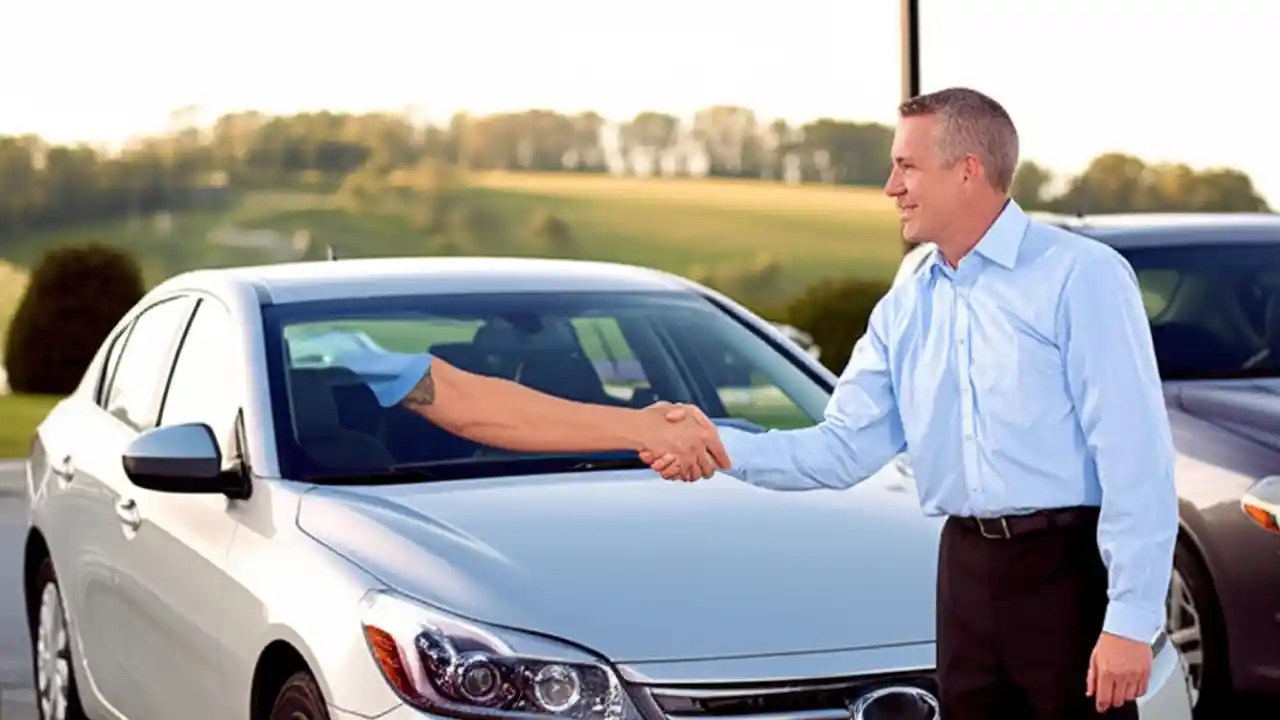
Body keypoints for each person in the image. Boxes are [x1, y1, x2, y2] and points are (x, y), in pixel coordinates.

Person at [645, 88, 1178, 719]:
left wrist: (1130, 620)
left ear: (968, 171)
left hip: (1066, 575)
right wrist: (717, 446)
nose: (891, 186)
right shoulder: (910, 296)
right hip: (964, 573)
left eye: (907, 166)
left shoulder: (1080, 275)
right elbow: (842, 447)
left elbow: (1135, 457)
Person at [362, 348, 731, 479]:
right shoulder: (332, 346)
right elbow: (456, 400)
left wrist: (697, 439)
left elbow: (781, 452)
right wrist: (645, 429)